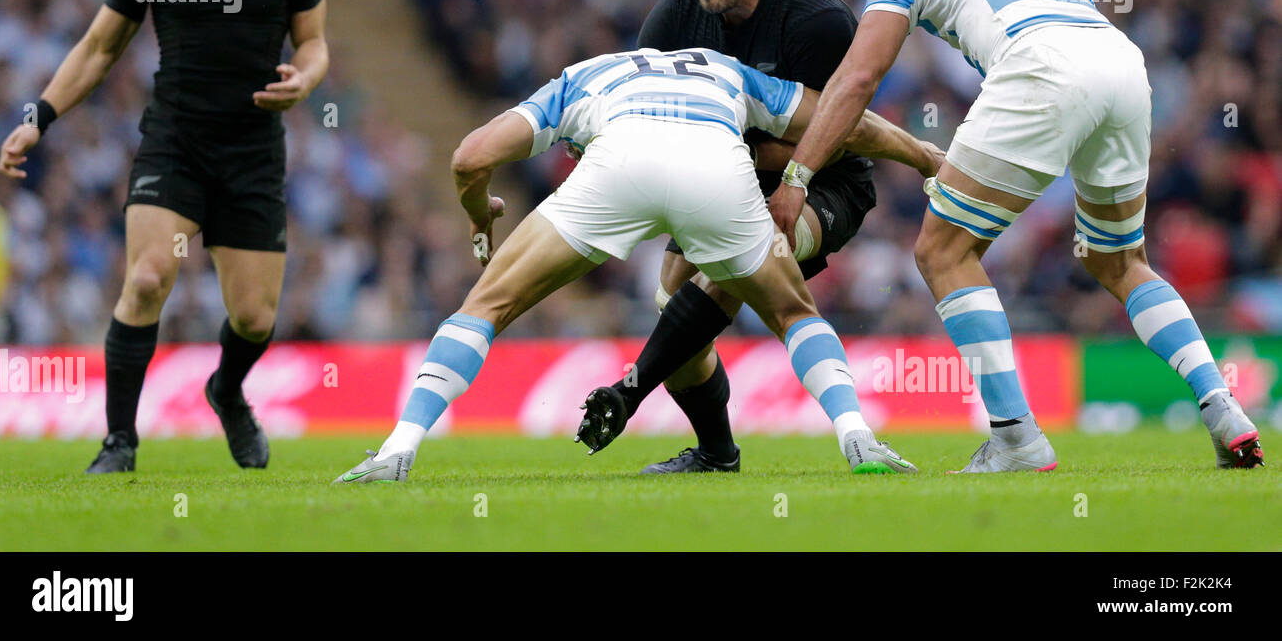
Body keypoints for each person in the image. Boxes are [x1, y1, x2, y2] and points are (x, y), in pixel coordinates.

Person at [768, 0, 1264, 472]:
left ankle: (1015, 438)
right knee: (1122, 260)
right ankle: (1222, 405)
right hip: (1123, 65)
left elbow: (858, 78)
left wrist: (799, 175)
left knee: (943, 251)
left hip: (1040, 65)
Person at [334, 46, 919, 482]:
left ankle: (397, 450)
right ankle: (858, 437)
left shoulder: (582, 78)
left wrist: (479, 211)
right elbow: (845, 124)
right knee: (793, 311)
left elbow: (470, 156)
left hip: (619, 167)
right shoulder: (724, 68)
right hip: (715, 167)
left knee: (486, 306)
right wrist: (923, 155)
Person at [0, 0, 329, 473]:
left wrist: (307, 80)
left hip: (253, 153)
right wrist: (39, 117)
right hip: (175, 143)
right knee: (148, 277)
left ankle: (226, 391)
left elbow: (315, 43)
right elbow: (98, 47)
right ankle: (120, 441)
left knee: (257, 318)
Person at [573, 0, 942, 474]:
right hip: (725, 178)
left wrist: (918, 158)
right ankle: (717, 453)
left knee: (744, 257)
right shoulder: (674, 19)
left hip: (825, 182)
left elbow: (849, 130)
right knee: (670, 293)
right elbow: (643, 113)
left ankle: (631, 391)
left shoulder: (815, 19)